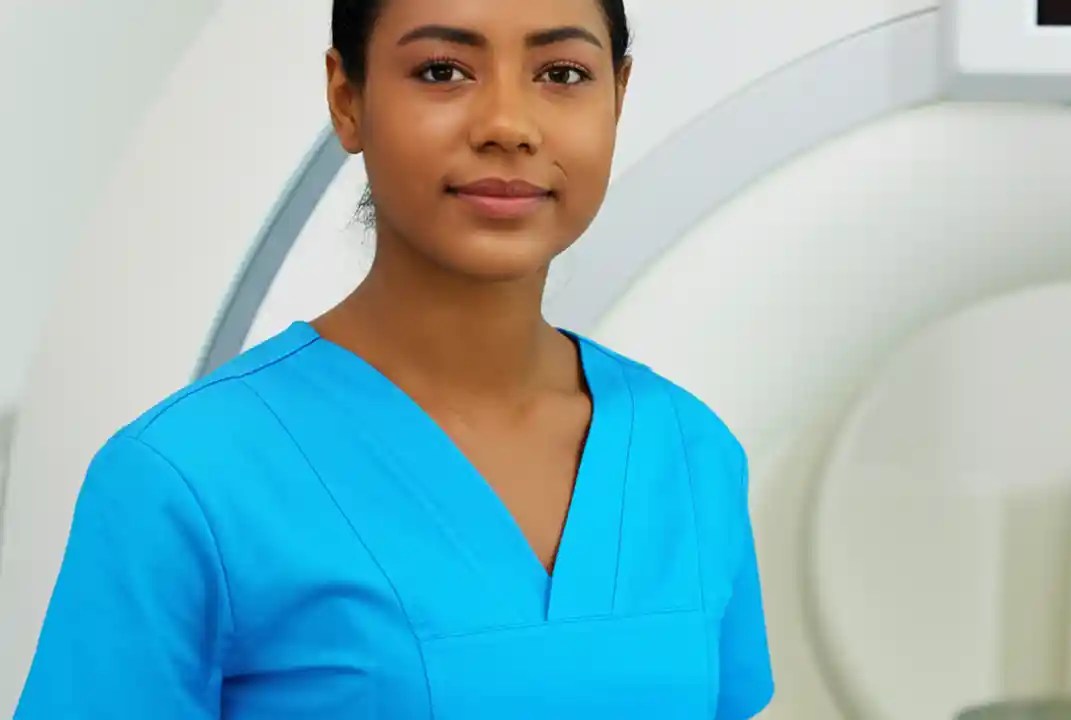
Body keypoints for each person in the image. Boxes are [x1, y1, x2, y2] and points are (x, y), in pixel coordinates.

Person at [16, 0, 775, 717]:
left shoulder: (691, 452)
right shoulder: (183, 478)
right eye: (443, 71)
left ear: (618, 93)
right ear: (347, 99)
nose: (508, 125)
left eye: (562, 75)